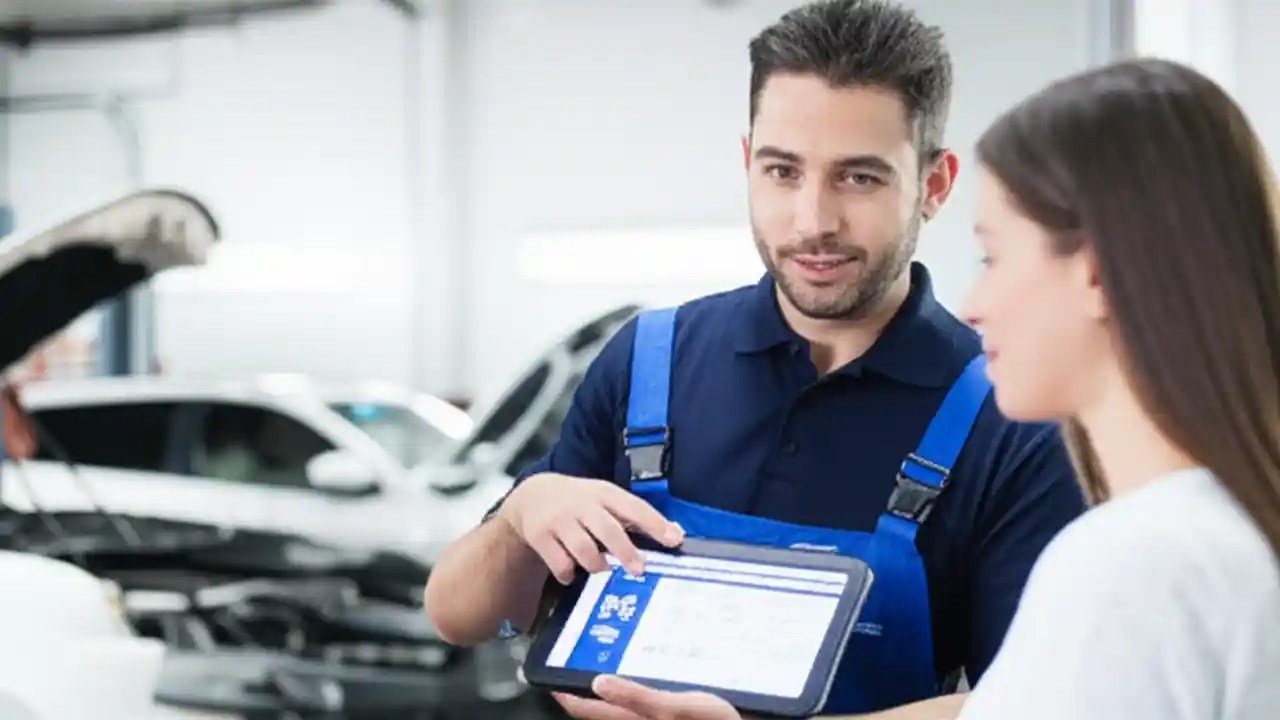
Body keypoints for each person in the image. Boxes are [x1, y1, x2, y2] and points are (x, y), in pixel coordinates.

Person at [558, 57, 1280, 720]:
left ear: (1095, 274)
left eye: (993, 256)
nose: (975, 302)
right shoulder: (1223, 534)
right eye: (783, 171)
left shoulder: (1132, 567)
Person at [424, 0, 1086, 716]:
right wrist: (524, 510)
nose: (813, 221)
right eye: (782, 172)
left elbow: (1028, 702)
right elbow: (457, 615)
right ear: (748, 162)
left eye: (859, 177)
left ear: (934, 184)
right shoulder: (647, 363)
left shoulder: (1010, 419)